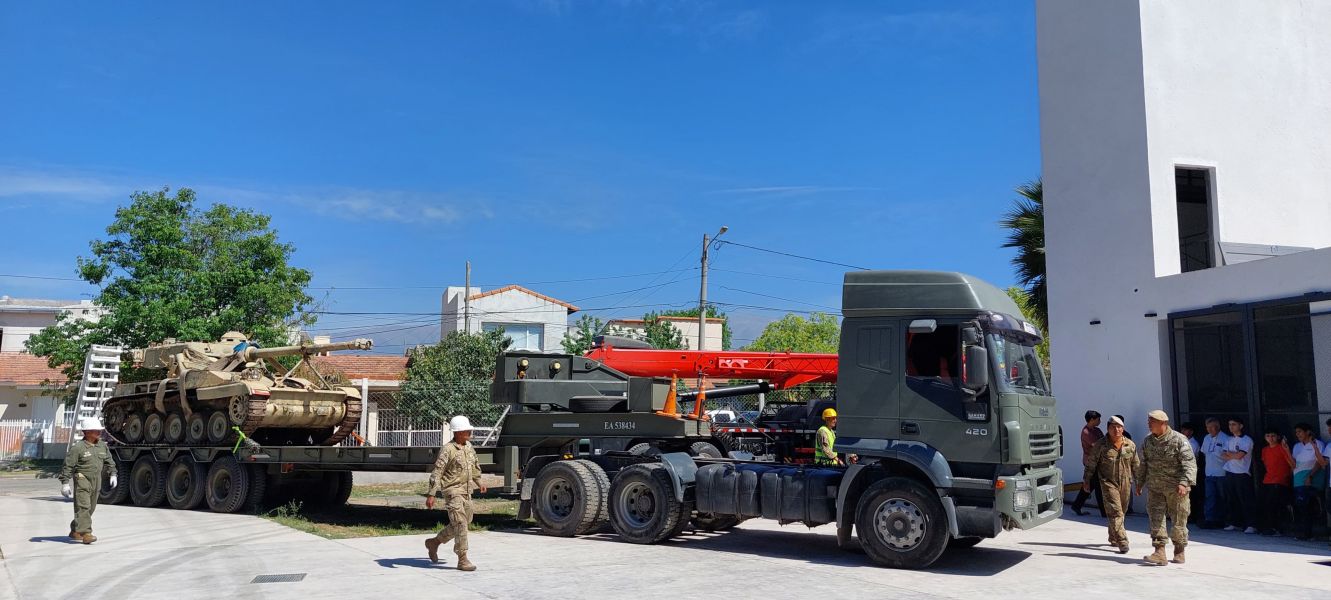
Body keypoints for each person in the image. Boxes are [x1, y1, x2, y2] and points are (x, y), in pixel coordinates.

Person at [424, 415, 485, 571]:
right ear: (457, 432)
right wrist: (431, 494)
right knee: (460, 523)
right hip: (452, 491)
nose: (470, 432)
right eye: (466, 430)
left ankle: (434, 543)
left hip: (466, 491)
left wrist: (479, 482)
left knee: (465, 521)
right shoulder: (448, 449)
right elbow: (437, 472)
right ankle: (462, 559)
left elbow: (474, 466)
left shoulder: (469, 447)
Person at [1138, 409, 1196, 566]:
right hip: (1155, 487)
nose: (1149, 424)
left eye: (1152, 422)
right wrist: (1139, 482)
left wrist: (1184, 483)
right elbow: (1143, 463)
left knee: (1179, 520)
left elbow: (1189, 464)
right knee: (1156, 518)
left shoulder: (1179, 440)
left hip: (1176, 489)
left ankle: (1179, 550)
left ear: (1163, 423)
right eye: (1148, 421)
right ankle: (1159, 552)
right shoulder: (1148, 441)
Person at [1082, 415, 1140, 553]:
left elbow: (1136, 465)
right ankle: (1122, 540)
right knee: (1116, 512)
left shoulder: (1130, 445)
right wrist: (1087, 480)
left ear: (1123, 429)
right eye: (1113, 427)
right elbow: (1091, 464)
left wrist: (1139, 483)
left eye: (1119, 427)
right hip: (1108, 482)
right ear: (1108, 429)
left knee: (1122, 511)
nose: (1116, 430)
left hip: (1125, 482)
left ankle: (1113, 536)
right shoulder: (1100, 445)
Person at [58, 416, 116, 544]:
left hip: (97, 480)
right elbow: (68, 466)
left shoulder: (102, 446)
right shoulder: (78, 448)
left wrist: (113, 474)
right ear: (87, 432)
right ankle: (86, 534)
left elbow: (109, 461)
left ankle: (76, 530)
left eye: (99, 430)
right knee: (83, 506)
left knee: (91, 508)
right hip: (82, 480)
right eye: (96, 430)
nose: (99, 432)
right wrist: (65, 483)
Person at [1220, 417, 1258, 534]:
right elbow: (1223, 455)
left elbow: (1240, 456)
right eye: (1230, 424)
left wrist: (1231, 454)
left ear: (1241, 426)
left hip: (1242, 473)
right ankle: (1234, 523)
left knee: (1245, 500)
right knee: (1231, 499)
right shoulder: (1229, 439)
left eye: (1234, 424)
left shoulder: (1246, 440)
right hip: (1230, 472)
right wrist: (1233, 455)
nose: (1231, 427)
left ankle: (1251, 524)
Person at [1290, 423, 1324, 540]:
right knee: (1301, 506)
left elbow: (1319, 462)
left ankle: (1309, 533)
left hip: (1311, 481)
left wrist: (1310, 476)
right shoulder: (1296, 446)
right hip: (1298, 480)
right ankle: (1304, 532)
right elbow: (1294, 464)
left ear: (1308, 432)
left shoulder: (1317, 444)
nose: (1297, 434)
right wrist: (1286, 450)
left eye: (1300, 431)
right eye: (1296, 432)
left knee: (1308, 506)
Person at [1257, 428, 1293, 536]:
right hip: (1267, 480)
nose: (1270, 438)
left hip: (1280, 480)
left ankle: (1277, 528)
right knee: (1266, 505)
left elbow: (1292, 464)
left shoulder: (1282, 448)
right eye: (1268, 436)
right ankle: (1268, 527)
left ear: (1278, 437)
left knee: (1276, 505)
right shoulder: (1265, 450)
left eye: (1273, 436)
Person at [1070, 410, 1107, 517]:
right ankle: (1104, 512)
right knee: (1099, 487)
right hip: (1091, 463)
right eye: (1098, 419)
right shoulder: (1086, 432)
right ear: (1091, 420)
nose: (1100, 421)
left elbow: (1105, 441)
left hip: (1098, 461)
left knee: (1090, 485)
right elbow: (1097, 445)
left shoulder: (1097, 430)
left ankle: (1076, 505)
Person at [1199, 418, 1230, 529]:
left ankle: (1223, 520)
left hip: (1222, 473)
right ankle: (1210, 519)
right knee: (1210, 497)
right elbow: (1204, 452)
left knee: (1223, 497)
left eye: (1213, 427)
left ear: (1218, 426)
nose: (1211, 429)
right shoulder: (1206, 438)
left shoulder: (1225, 438)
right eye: (1208, 427)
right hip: (1209, 473)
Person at [1180, 422, 1202, 523]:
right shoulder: (1182, 441)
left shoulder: (1193, 443)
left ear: (1191, 432)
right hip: (1181, 472)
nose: (1183, 432)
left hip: (1190, 472)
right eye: (1183, 430)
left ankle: (1192, 516)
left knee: (1191, 495)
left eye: (1186, 430)